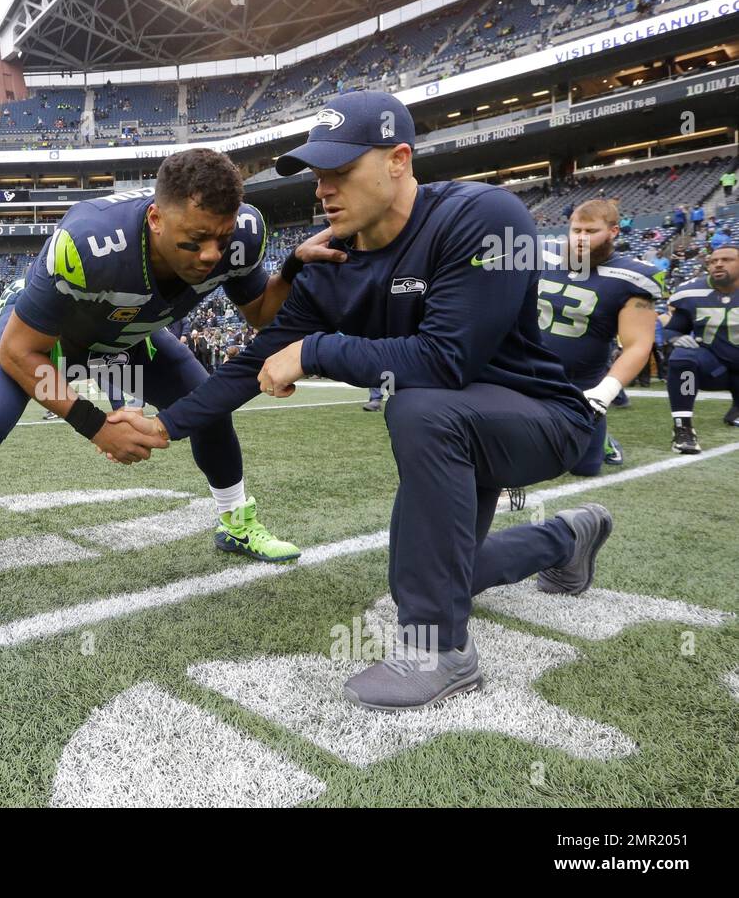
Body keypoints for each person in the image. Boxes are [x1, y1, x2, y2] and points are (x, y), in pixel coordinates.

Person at [114, 92, 606, 711]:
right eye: (319, 175)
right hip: (457, 430)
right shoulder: (331, 265)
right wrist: (164, 426)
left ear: (399, 160)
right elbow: (251, 364)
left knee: (419, 407)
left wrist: (316, 350)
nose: (323, 189)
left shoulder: (486, 216)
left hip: (540, 419)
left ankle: (440, 652)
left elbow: (446, 360)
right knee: (425, 578)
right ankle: (567, 538)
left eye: (341, 171)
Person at [0, 148, 302, 665]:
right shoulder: (91, 241)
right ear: (156, 218)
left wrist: (293, 266)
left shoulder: (243, 234)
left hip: (129, 337)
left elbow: (259, 314)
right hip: (46, 342)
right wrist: (97, 426)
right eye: (195, 240)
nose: (210, 255)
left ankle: (235, 522)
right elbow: (17, 352)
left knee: (208, 405)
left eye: (220, 238)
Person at [536, 200, 660, 474]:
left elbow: (638, 344)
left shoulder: (632, 276)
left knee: (585, 470)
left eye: (590, 231)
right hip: (531, 373)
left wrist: (605, 392)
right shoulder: (540, 255)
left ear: (614, 231)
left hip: (583, 384)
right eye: (575, 230)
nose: (580, 238)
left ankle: (603, 440)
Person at [663, 242, 739, 453]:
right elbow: (673, 330)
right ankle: (683, 428)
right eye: (713, 261)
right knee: (682, 357)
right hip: (715, 368)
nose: (718, 264)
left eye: (726, 260)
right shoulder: (692, 292)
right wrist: (675, 339)